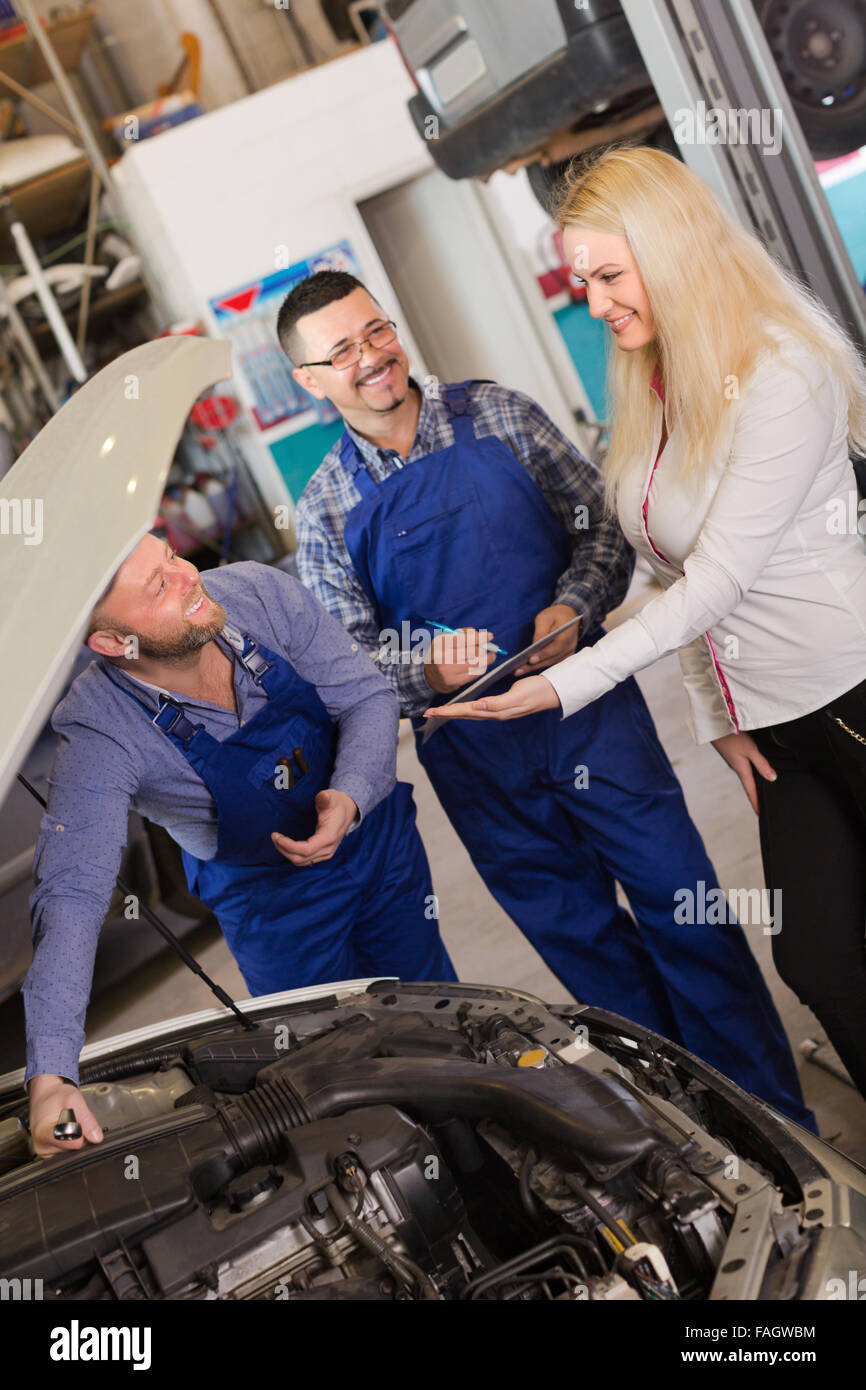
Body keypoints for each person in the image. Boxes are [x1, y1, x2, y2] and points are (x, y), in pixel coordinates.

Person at [275, 269, 814, 1128]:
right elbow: (348, 665)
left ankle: (775, 1122)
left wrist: (575, 606)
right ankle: (684, 1137)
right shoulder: (324, 509)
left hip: (588, 714)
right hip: (477, 761)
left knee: (687, 912)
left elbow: (602, 531)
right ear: (309, 382)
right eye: (340, 351)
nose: (370, 356)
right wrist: (425, 671)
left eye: (376, 331)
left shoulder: (500, 414)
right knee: (588, 954)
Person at [428, 143, 866, 1104]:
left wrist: (559, 686)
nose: (593, 303)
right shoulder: (662, 380)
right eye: (581, 282)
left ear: (671, 250)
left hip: (850, 689)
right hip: (781, 728)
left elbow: (716, 582)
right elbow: (671, 575)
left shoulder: (780, 369)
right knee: (821, 958)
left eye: (608, 277)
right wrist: (720, 715)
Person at [25, 533, 454, 1155]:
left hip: (376, 845)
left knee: (436, 1014)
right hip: (273, 904)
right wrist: (52, 1076)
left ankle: (472, 1151)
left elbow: (365, 695)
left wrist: (351, 795)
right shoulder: (99, 729)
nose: (188, 576)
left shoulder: (258, 592)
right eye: (159, 585)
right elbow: (73, 890)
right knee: (332, 1070)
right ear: (115, 643)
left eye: (171, 556)